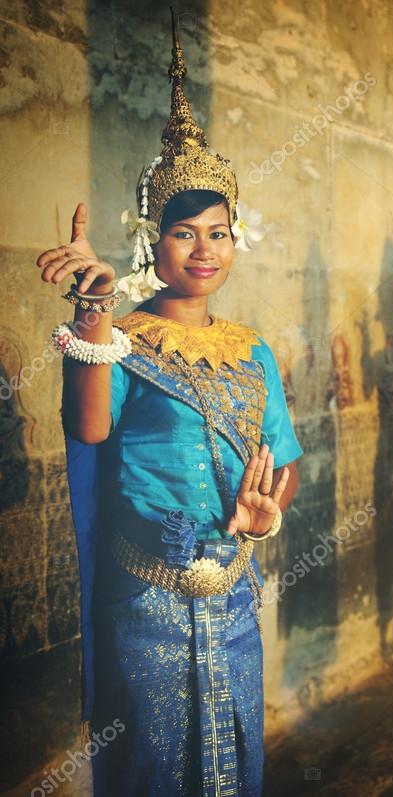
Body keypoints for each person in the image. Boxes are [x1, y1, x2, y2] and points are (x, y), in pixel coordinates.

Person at [36, 17, 302, 795]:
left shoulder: (252, 348)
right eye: (183, 233)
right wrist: (93, 315)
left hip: (233, 591)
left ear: (235, 236)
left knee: (232, 759)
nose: (203, 250)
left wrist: (266, 514)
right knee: (154, 767)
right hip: (144, 593)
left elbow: (280, 458)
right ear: (153, 240)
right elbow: (88, 429)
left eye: (217, 232)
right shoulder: (122, 335)